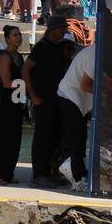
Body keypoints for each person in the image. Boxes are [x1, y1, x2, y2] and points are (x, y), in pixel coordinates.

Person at [23, 15, 72, 187]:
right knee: (42, 137)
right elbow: (25, 70)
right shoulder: (41, 47)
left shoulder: (58, 48)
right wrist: (33, 95)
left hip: (55, 100)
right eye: (62, 28)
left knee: (54, 137)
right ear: (53, 29)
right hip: (42, 100)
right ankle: (38, 174)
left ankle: (52, 171)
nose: (64, 32)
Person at [56, 28, 95, 192]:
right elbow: (85, 85)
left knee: (80, 137)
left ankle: (74, 170)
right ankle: (77, 178)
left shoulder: (95, 52)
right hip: (69, 96)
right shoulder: (95, 56)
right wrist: (104, 94)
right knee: (77, 138)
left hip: (76, 98)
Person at [0, 24, 25, 185]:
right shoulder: (4, 57)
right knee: (3, 138)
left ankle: (9, 172)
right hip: (5, 102)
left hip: (17, 102)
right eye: (15, 35)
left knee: (14, 138)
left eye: (19, 35)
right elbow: (6, 83)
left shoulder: (19, 56)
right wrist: (24, 86)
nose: (18, 38)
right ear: (7, 39)